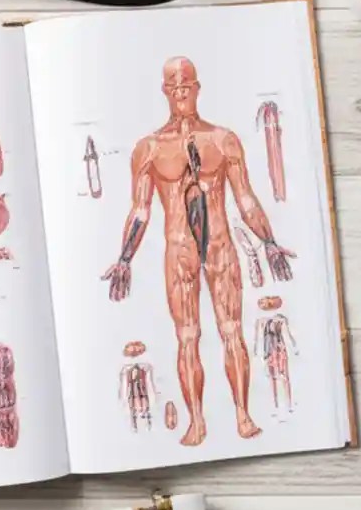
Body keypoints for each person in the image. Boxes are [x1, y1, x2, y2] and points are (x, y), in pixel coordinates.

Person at [103, 57, 295, 446]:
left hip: (221, 246)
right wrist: (125, 258)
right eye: (173, 87)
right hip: (179, 252)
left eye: (186, 86)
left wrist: (269, 241)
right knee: (187, 337)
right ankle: (197, 422)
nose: (180, 93)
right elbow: (140, 210)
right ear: (164, 91)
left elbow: (245, 199)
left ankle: (243, 415)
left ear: (197, 87)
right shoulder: (149, 148)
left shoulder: (223, 140)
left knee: (232, 332)